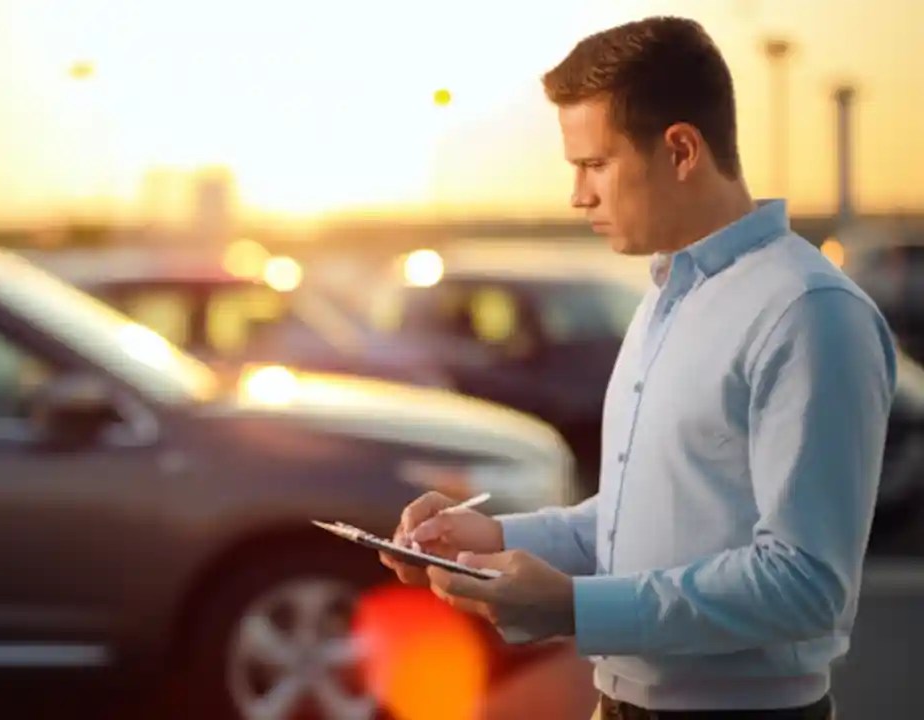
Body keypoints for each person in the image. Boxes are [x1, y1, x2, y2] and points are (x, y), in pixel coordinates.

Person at [380, 16, 895, 719]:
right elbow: (637, 523)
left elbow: (806, 583)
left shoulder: (808, 311)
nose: (578, 195)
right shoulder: (667, 296)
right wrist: (493, 539)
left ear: (681, 149)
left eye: (595, 164)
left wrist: (574, 607)